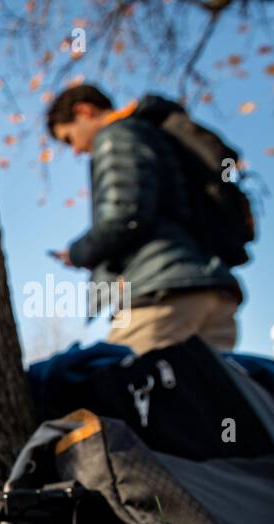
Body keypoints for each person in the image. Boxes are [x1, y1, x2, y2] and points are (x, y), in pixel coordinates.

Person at [46, 84, 243, 354]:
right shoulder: (159, 136)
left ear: (84, 111)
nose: (76, 151)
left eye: (69, 139)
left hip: (163, 295)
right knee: (208, 393)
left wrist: (78, 253)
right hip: (213, 292)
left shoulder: (116, 135)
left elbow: (125, 213)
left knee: (125, 388)